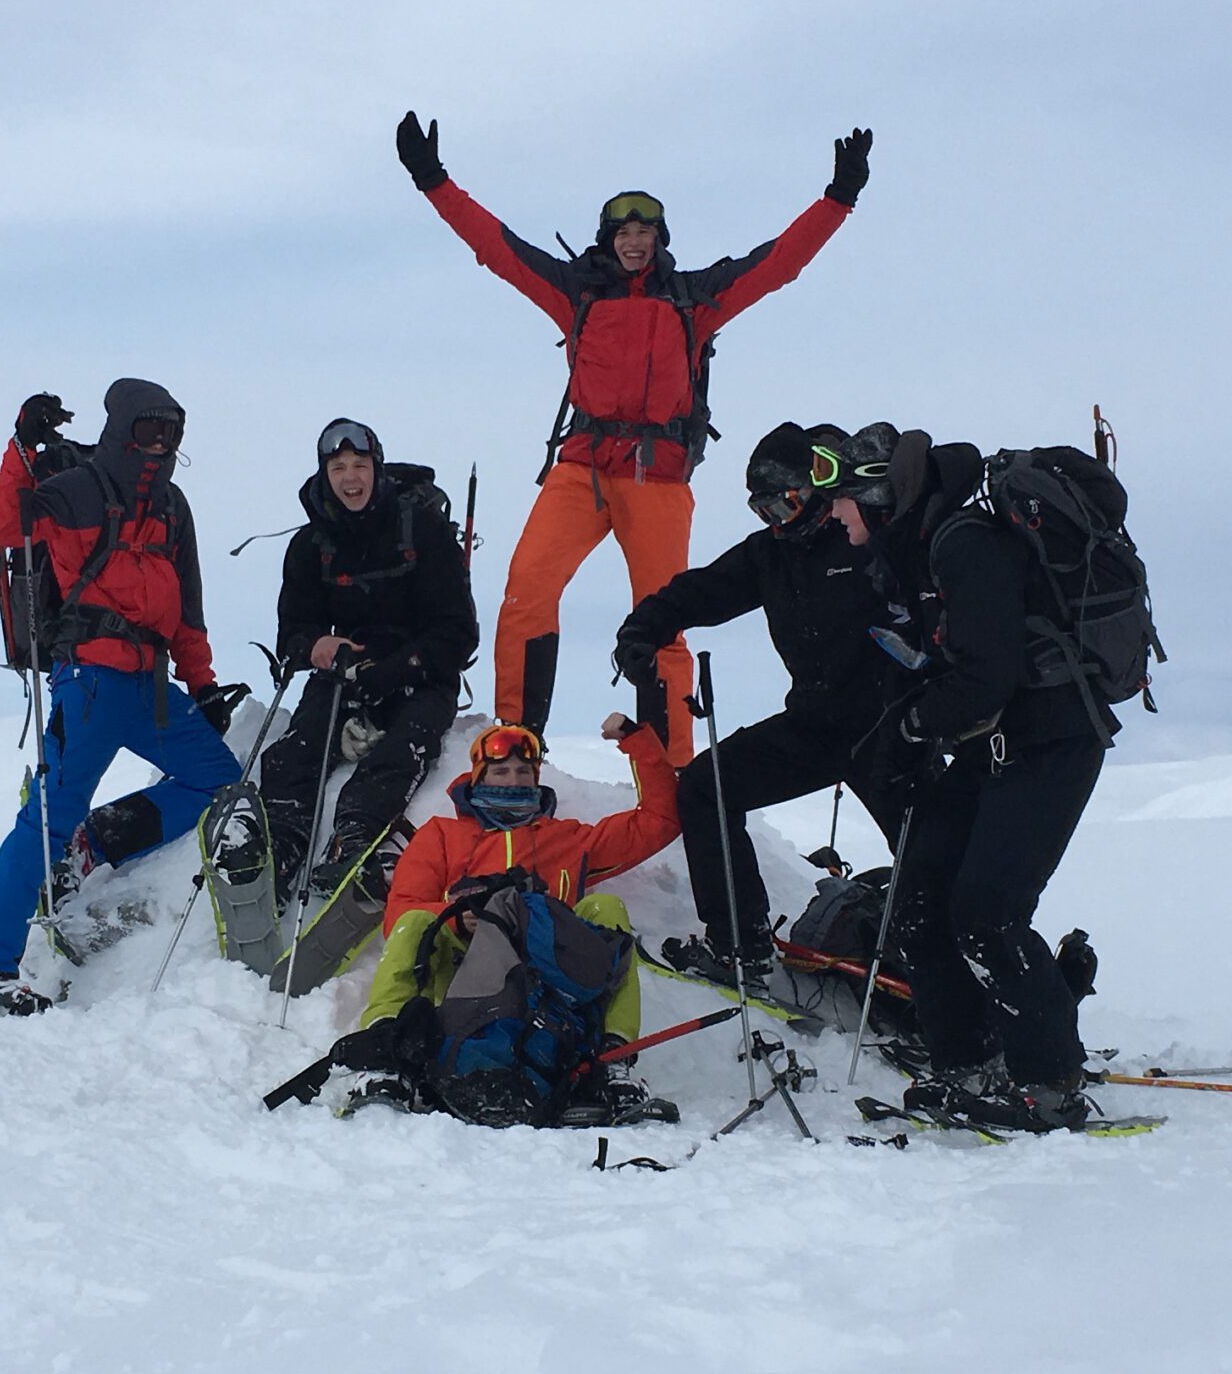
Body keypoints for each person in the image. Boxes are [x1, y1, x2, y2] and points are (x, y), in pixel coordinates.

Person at [393, 109, 871, 760]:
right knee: (527, 590)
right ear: (608, 239)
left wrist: (837, 198)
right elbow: (497, 248)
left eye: (646, 230)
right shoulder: (576, 293)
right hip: (581, 471)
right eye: (625, 231)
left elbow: (777, 264)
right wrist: (433, 180)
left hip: (658, 479)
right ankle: (515, 738)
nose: (635, 241)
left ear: (660, 238)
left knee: (663, 617)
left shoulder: (691, 299)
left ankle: (671, 763)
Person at [829, 423, 1112, 1132]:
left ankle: (1050, 1083)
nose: (833, 515)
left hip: (1051, 743)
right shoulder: (925, 547)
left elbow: (988, 676)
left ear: (875, 497)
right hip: (993, 751)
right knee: (918, 900)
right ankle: (967, 1060)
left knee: (987, 913)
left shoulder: (962, 542)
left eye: (842, 501)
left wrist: (914, 727)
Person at [0, 379, 242, 1013]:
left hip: (149, 685)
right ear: (122, 429)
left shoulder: (172, 505)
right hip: (89, 682)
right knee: (45, 820)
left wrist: (203, 683)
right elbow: (6, 526)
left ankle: (96, 845)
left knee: (219, 782)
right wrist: (22, 445)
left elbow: (188, 607)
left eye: (171, 432)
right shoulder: (77, 489)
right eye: (148, 430)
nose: (160, 443)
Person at [614, 422, 913, 997]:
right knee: (706, 787)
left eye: (788, 501)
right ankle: (737, 946)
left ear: (821, 486)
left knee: (932, 860)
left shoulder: (868, 537)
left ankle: (967, 981)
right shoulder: (772, 554)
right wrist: (642, 630)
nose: (778, 519)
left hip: (890, 734)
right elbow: (700, 590)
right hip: (814, 728)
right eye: (764, 509)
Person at [327, 716, 681, 1096]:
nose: (513, 780)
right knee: (414, 921)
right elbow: (401, 914)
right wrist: (454, 921)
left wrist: (636, 739)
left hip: (549, 970)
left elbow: (659, 821)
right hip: (466, 967)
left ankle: (614, 1060)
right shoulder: (442, 835)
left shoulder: (569, 839)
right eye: (501, 771)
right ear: (479, 777)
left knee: (606, 909)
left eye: (523, 771)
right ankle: (385, 1051)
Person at [237, 418, 478, 899]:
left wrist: (398, 670)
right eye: (339, 466)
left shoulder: (423, 529)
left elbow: (458, 632)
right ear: (325, 473)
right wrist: (316, 648)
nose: (351, 477)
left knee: (404, 747)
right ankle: (281, 843)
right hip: (345, 671)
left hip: (421, 671)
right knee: (296, 749)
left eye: (360, 465)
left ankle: (355, 837)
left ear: (377, 468)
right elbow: (293, 632)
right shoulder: (309, 545)